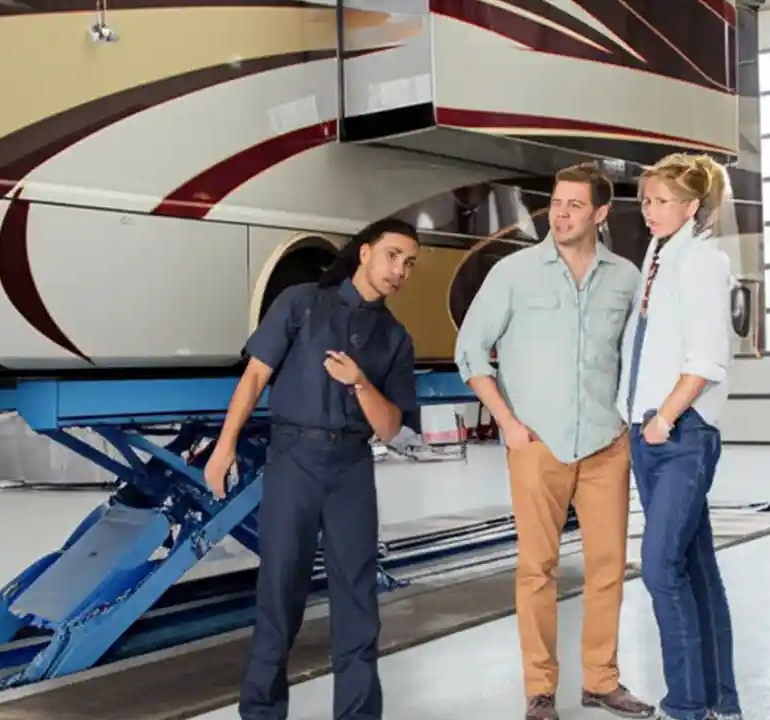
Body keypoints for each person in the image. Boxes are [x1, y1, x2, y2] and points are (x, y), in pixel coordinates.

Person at [455, 162, 655, 720]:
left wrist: (631, 423)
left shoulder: (624, 277)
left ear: (600, 212)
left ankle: (601, 680)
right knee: (535, 569)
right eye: (556, 204)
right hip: (536, 443)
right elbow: (471, 351)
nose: (561, 214)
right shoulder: (515, 273)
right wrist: (508, 425)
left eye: (574, 205)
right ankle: (540, 691)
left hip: (604, 443)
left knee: (608, 566)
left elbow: (640, 354)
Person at [203, 218, 423, 720]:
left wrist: (361, 383)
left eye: (409, 263)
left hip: (350, 467)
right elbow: (256, 375)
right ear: (364, 253)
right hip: (293, 460)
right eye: (392, 255)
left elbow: (391, 428)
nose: (400, 270)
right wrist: (224, 446)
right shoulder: (301, 303)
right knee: (279, 591)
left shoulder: (395, 338)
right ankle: (260, 712)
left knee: (357, 598)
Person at [616, 153, 742, 720]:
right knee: (697, 569)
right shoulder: (658, 257)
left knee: (661, 566)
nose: (649, 210)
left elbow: (706, 358)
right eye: (645, 200)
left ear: (691, 207)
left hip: (680, 432)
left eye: (661, 200)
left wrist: (664, 418)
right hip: (650, 430)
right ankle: (721, 703)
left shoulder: (701, 262)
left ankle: (687, 706)